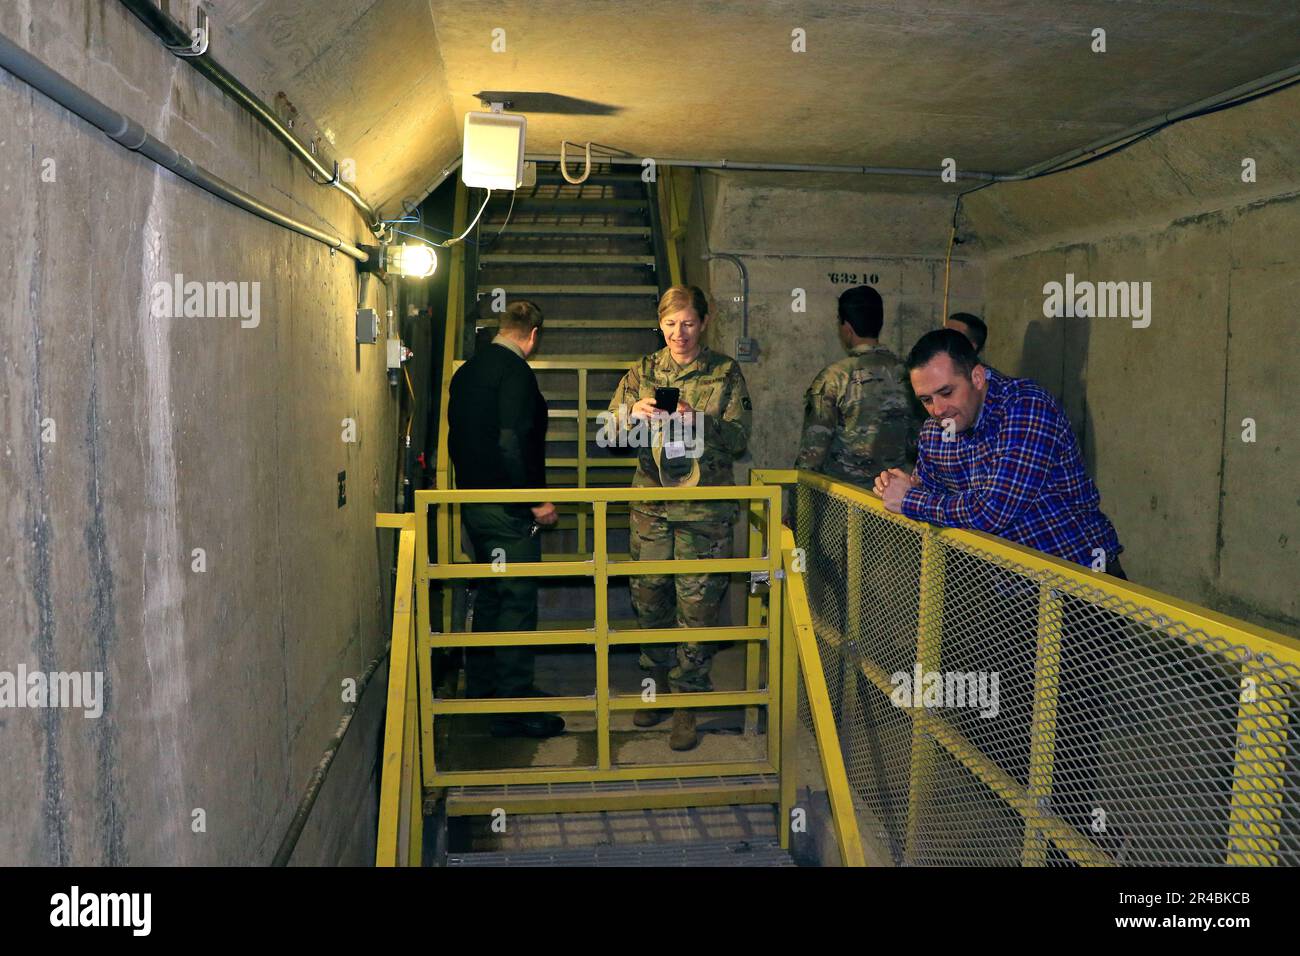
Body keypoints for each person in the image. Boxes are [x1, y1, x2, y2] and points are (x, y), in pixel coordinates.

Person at [874, 328, 1126, 853]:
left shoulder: (1026, 409)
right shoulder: (937, 428)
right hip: (1015, 596)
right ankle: (1043, 840)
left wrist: (912, 501)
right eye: (925, 399)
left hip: (1081, 590)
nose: (938, 410)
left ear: (979, 376)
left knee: (1065, 744)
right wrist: (910, 492)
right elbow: (936, 490)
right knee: (1006, 733)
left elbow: (990, 514)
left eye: (947, 393)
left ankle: (1086, 850)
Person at [608, 285, 752, 751]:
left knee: (697, 607)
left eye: (688, 322)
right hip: (651, 506)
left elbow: (738, 438)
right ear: (660, 324)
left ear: (704, 322)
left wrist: (697, 421)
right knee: (649, 600)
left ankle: (688, 702)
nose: (679, 333)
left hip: (703, 511)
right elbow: (608, 434)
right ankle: (655, 690)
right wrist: (633, 413)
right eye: (670, 324)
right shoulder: (643, 371)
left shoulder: (724, 372)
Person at [447, 300, 563, 739]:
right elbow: (512, 440)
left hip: (474, 504)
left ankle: (482, 691)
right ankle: (512, 707)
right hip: (508, 509)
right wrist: (535, 500)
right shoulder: (515, 374)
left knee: (492, 597)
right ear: (533, 335)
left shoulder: (467, 372)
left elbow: (460, 439)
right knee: (515, 602)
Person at [796, 285, 923, 485]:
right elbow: (919, 442)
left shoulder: (834, 378)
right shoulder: (910, 375)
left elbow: (813, 452)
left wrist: (797, 505)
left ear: (847, 328)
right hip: (892, 498)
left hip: (843, 502)